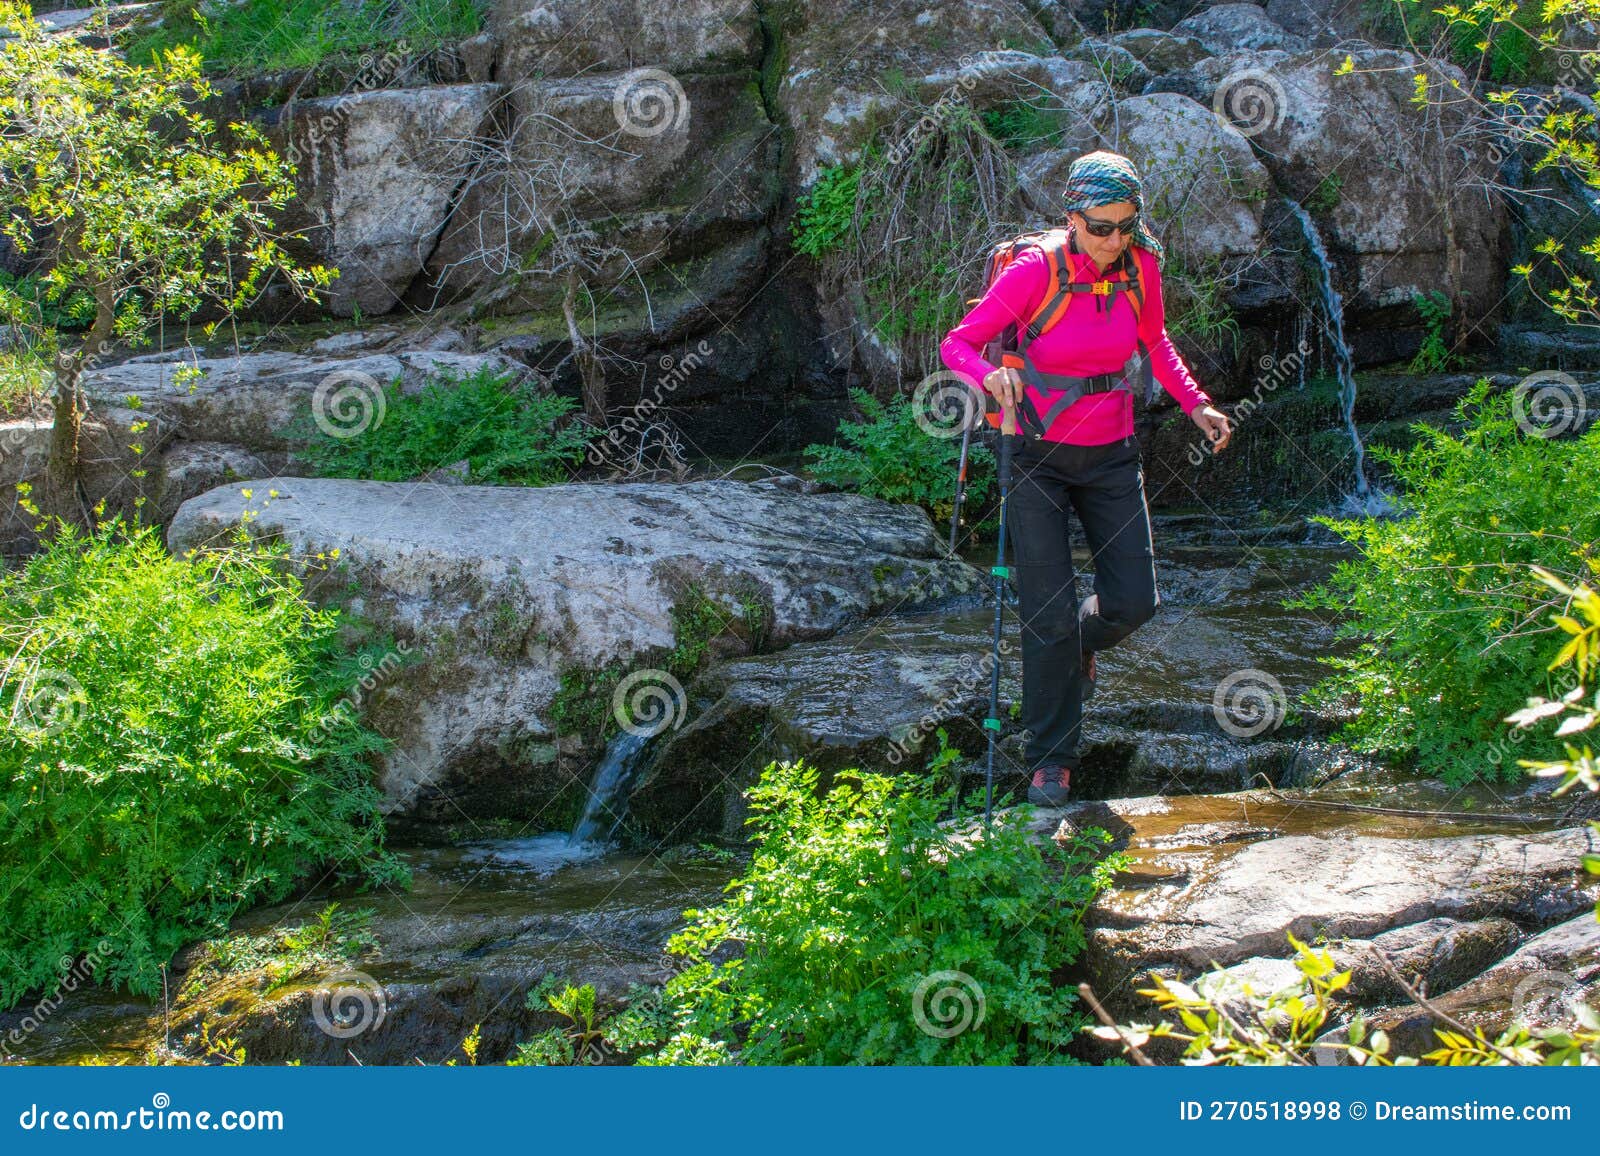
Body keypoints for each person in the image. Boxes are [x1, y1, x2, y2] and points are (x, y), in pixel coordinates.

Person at [938, 150, 1232, 807]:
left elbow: (1155, 342)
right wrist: (987, 375)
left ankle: (1078, 645)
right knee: (1045, 617)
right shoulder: (1032, 272)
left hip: (1110, 453)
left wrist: (1197, 404)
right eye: (1101, 226)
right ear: (1072, 218)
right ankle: (1051, 762)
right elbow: (956, 343)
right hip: (1034, 456)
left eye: (1126, 225)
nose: (1113, 240)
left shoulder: (1141, 266)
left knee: (1134, 601)